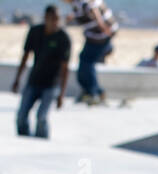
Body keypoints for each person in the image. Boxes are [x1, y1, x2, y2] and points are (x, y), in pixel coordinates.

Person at [12, 5, 70, 139]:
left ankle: (41, 145)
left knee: (41, 117)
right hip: (34, 81)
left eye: (57, 18)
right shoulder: (35, 32)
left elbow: (65, 68)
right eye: (52, 18)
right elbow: (25, 57)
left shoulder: (63, 38)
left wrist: (62, 94)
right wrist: (17, 80)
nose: (55, 22)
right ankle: (24, 142)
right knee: (21, 115)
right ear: (46, 18)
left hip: (51, 85)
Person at [68, 0, 118, 105]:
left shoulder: (81, 3)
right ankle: (92, 91)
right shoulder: (77, 4)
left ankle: (95, 93)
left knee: (87, 62)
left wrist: (102, 26)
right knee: (85, 60)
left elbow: (92, 9)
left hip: (99, 37)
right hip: (95, 37)